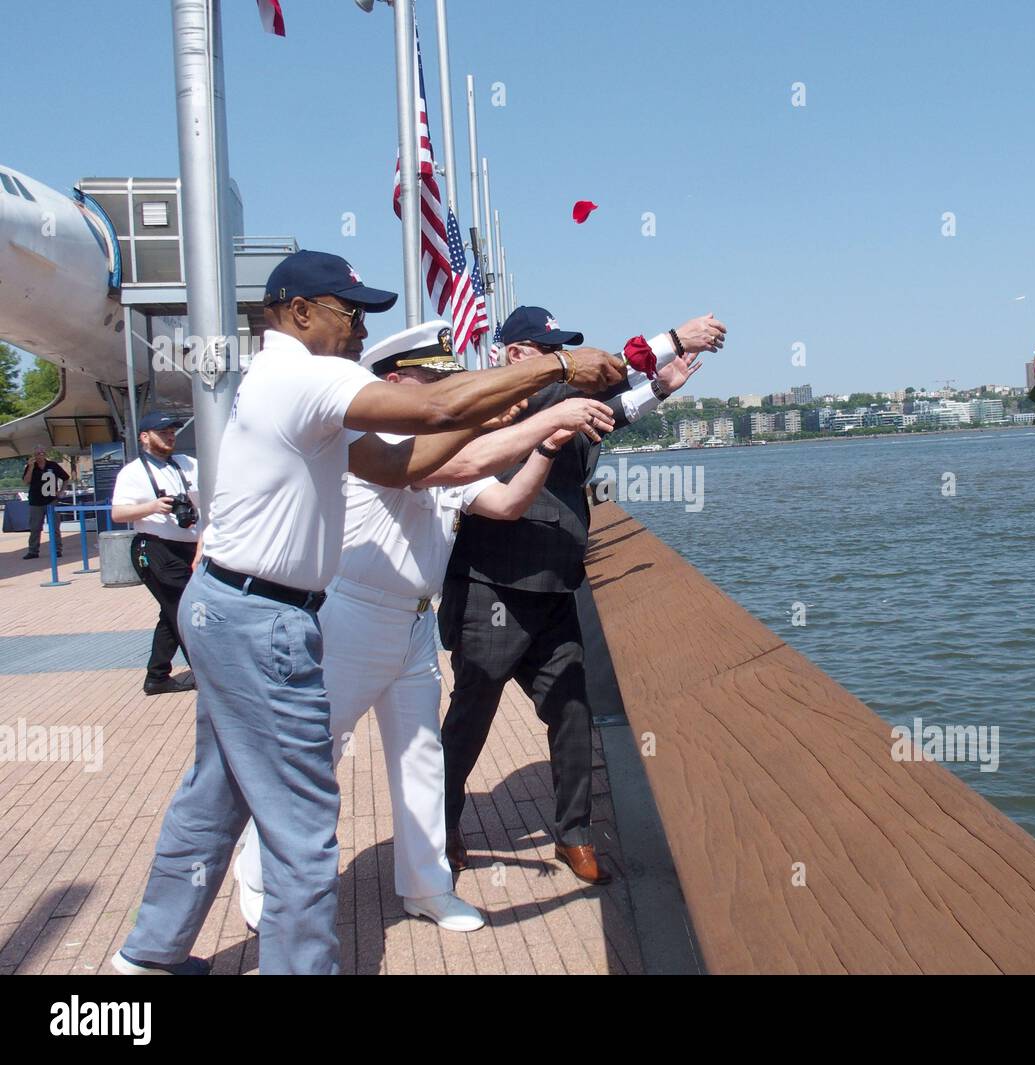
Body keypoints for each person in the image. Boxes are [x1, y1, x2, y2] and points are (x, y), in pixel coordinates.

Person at [113, 250, 626, 976]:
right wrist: (557, 371)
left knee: (215, 796)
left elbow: (401, 464)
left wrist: (504, 408)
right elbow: (437, 409)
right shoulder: (307, 374)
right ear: (298, 312)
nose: (360, 328)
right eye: (351, 311)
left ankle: (149, 957)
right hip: (267, 617)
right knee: (302, 825)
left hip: (230, 605)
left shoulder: (286, 379)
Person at [233, 320, 617, 935]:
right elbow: (438, 468)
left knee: (420, 758)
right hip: (354, 613)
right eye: (431, 377)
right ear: (394, 381)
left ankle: (428, 886)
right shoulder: (378, 430)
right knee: (312, 755)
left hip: (412, 622)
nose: (444, 385)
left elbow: (506, 503)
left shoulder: (447, 440)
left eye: (446, 375)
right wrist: (543, 418)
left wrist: (545, 445)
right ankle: (260, 876)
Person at [440, 305, 725, 884]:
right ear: (518, 357)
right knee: (472, 716)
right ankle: (440, 828)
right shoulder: (508, 399)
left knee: (573, 712)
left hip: (554, 588)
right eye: (551, 352)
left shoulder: (557, 401)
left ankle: (574, 836)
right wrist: (671, 341)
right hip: (494, 590)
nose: (565, 364)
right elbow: (605, 375)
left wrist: (660, 390)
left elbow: (608, 412)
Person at [110, 411, 201, 695]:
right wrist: (152, 506)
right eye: (163, 432)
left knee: (171, 610)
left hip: (190, 546)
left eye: (173, 431)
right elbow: (117, 513)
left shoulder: (187, 464)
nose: (170, 435)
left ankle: (157, 676)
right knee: (183, 610)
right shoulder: (133, 473)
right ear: (145, 437)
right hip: (156, 547)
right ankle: (207, 674)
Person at [21, 447, 68, 559]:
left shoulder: (52, 465)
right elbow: (26, 481)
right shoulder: (31, 467)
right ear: (34, 455)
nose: (40, 456)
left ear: (45, 454)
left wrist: (61, 491)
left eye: (42, 453)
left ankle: (57, 550)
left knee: (54, 526)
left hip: (51, 500)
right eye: (37, 454)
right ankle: (33, 551)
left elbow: (66, 477)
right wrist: (31, 467)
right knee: (35, 527)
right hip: (36, 501)